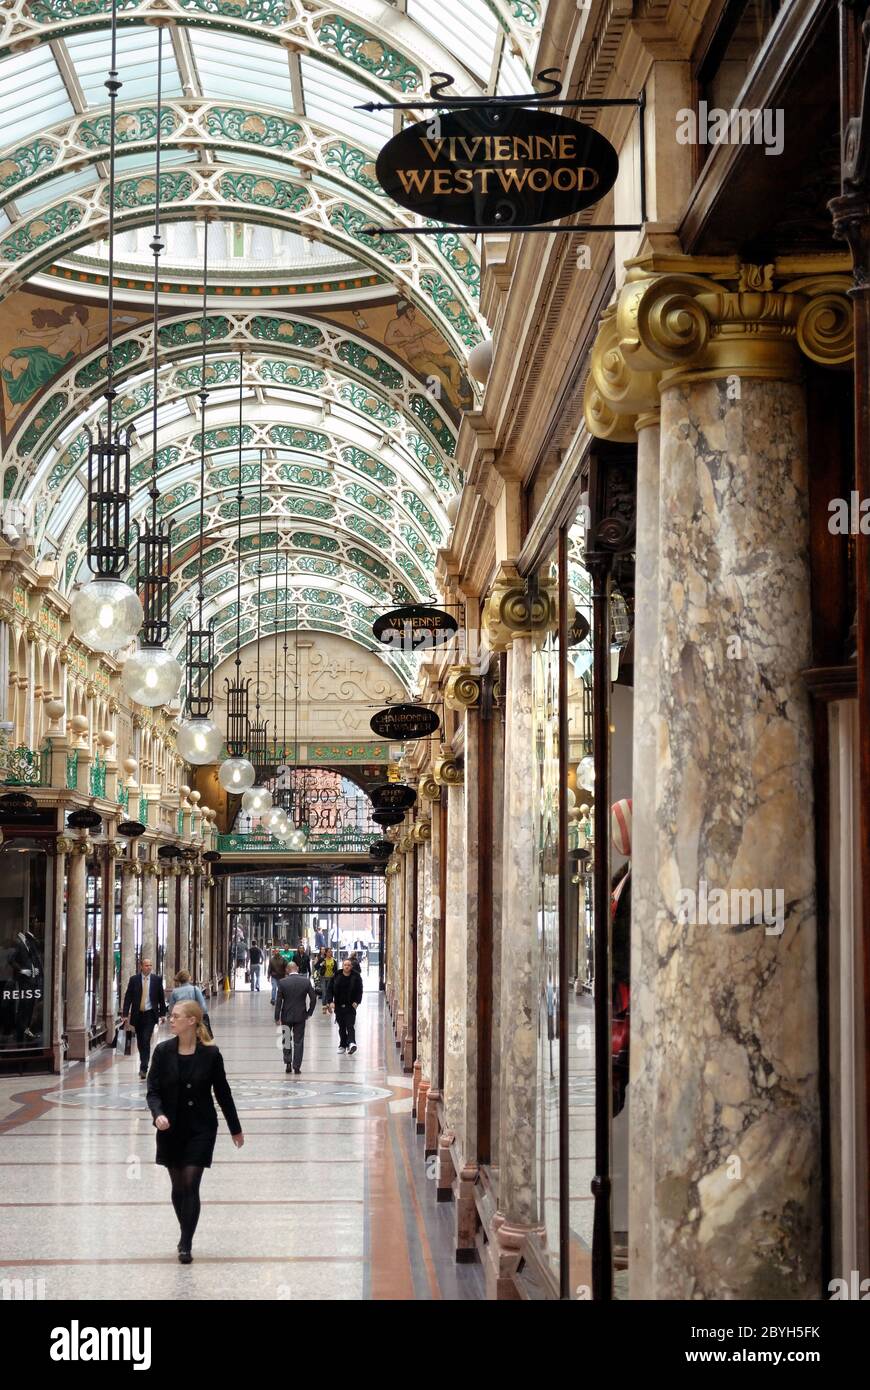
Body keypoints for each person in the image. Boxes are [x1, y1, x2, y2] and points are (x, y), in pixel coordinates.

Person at [147, 1000, 243, 1264]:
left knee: (191, 1183)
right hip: (170, 1127)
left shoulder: (211, 1055)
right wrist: (158, 1115)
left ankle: (186, 1242)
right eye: (170, 1015)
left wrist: (235, 1128)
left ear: (191, 1021)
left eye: (176, 1016)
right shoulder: (163, 1051)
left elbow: (223, 1093)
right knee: (178, 1187)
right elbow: (153, 1090)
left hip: (201, 1128)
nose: (171, 1019)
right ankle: (184, 1230)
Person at [122, 957, 167, 1079]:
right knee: (141, 1041)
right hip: (138, 1015)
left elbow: (161, 998)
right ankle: (144, 1061)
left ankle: (144, 1067)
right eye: (146, 965)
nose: (149, 967)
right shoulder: (134, 980)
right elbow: (128, 997)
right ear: (141, 966)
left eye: (150, 965)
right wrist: (125, 1014)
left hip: (150, 1014)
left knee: (146, 1039)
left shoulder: (157, 980)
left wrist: (163, 1014)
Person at [274, 962, 316, 1075]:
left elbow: (278, 1002)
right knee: (299, 1041)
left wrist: (276, 1017)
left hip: (286, 1016)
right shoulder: (306, 981)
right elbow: (313, 998)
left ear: (287, 970)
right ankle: (297, 1067)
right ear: (297, 968)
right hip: (300, 1015)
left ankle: (288, 1062)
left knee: (286, 1039)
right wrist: (309, 1012)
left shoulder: (282, 982)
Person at [333, 958, 363, 1055]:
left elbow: (359, 990)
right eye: (345, 965)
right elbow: (330, 988)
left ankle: (351, 1043)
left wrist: (357, 1002)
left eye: (349, 965)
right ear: (342, 966)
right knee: (342, 1027)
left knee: (350, 1025)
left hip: (350, 1006)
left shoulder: (356, 976)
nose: (347, 966)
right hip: (338, 1005)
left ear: (351, 966)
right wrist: (329, 1001)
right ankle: (342, 1045)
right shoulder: (337, 975)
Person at [320, 947, 336, 1015]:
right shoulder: (323, 959)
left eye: (331, 952)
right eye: (329, 952)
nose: (330, 953)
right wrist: (321, 964)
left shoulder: (333, 960)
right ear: (326, 953)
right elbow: (316, 966)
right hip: (323, 977)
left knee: (329, 993)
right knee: (324, 992)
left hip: (331, 978)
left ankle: (329, 1007)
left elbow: (336, 969)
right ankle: (324, 1007)